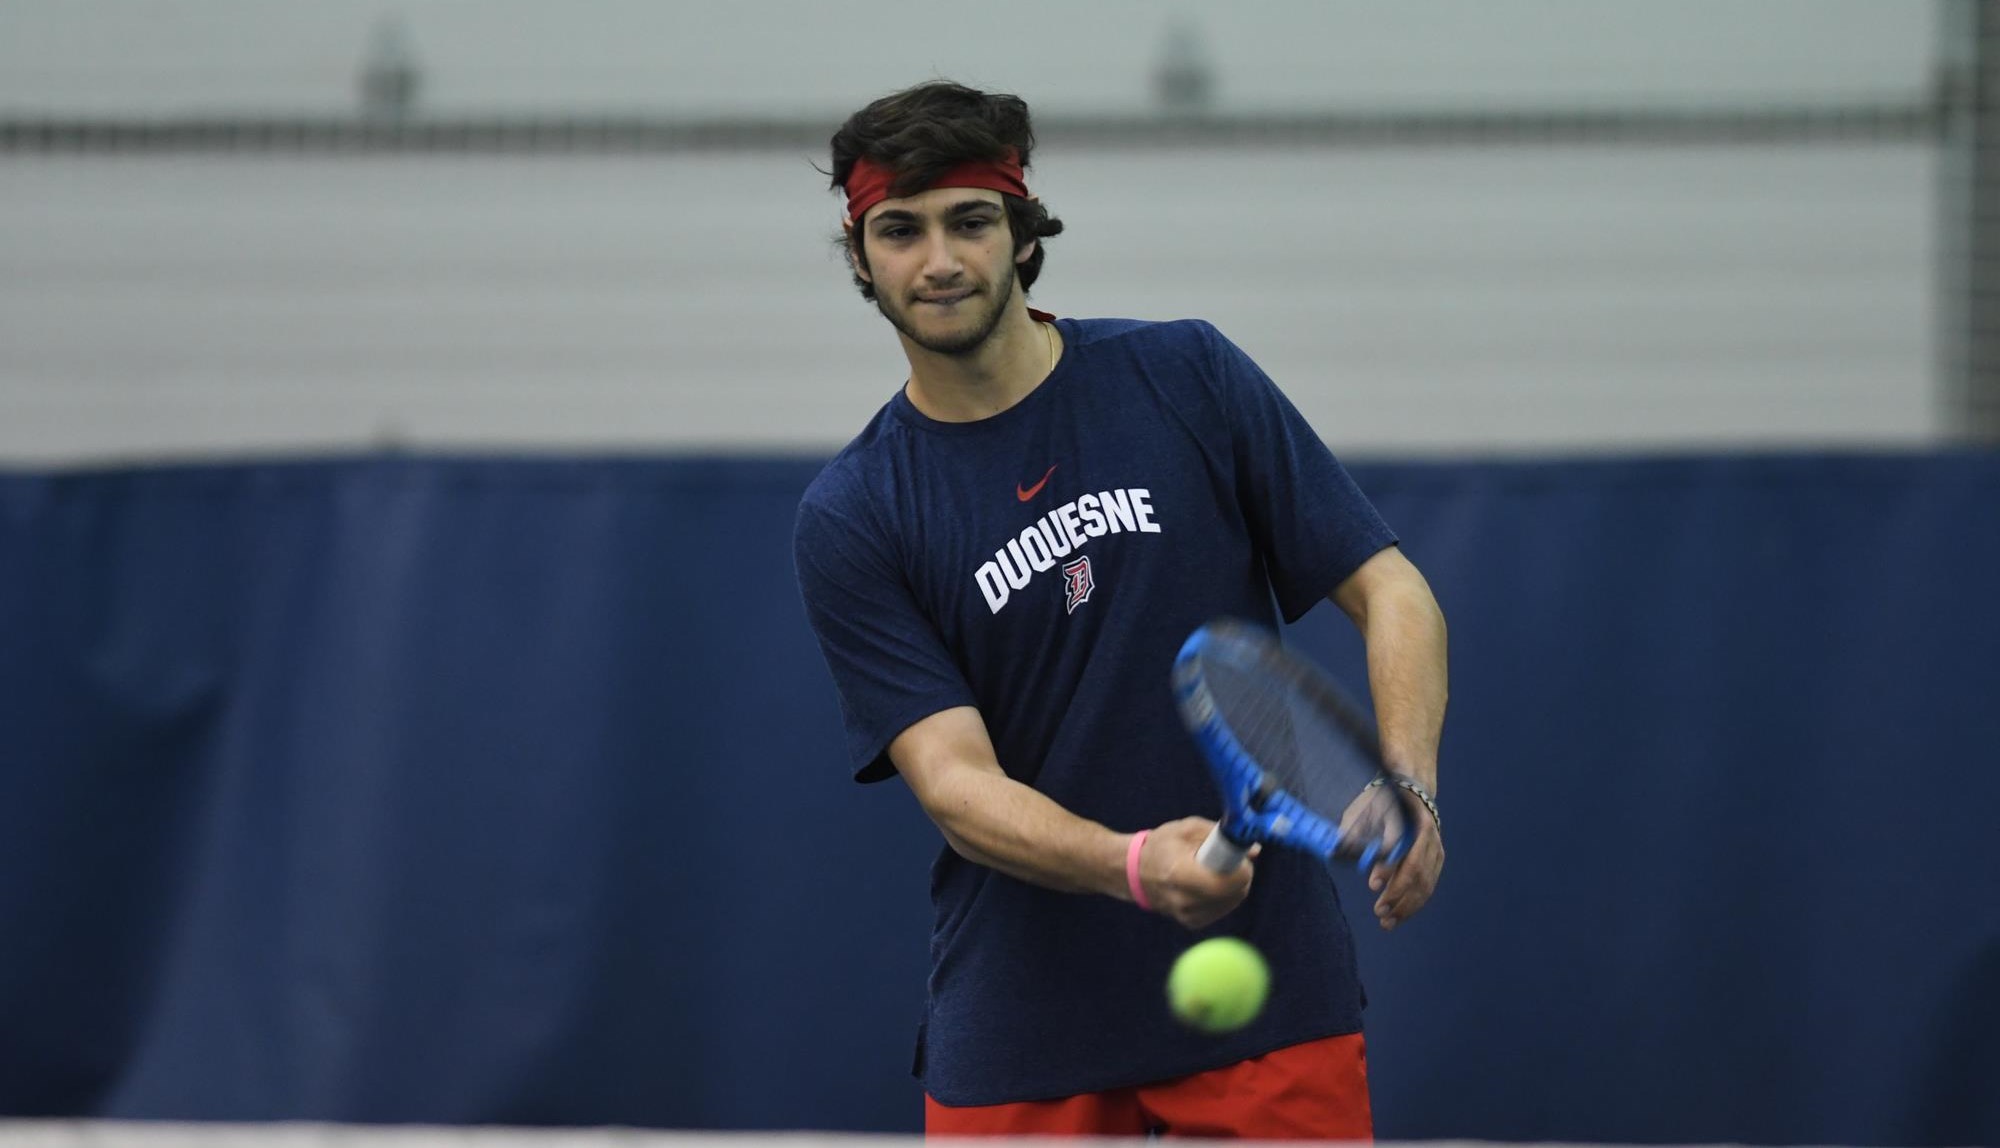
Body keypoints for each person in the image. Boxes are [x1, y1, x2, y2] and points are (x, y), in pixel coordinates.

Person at [792, 80, 1449, 1139]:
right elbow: (955, 781)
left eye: (969, 219)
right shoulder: (855, 512)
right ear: (861, 256)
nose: (940, 260)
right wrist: (1131, 865)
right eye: (898, 230)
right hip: (1021, 1021)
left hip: (1270, 1002)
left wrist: (1409, 776)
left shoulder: (1184, 373)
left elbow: (1390, 588)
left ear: (1021, 233)